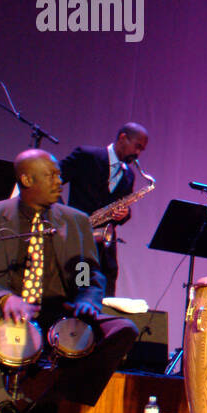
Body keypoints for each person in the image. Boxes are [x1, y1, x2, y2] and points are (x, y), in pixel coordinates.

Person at [0, 150, 138, 413]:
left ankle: (48, 401)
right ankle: (1, 402)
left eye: (59, 175)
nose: (59, 182)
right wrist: (2, 298)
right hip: (1, 310)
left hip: (56, 312)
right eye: (50, 176)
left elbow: (87, 272)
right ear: (26, 179)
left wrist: (86, 297)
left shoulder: (76, 221)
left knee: (123, 330)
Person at [60, 123, 149, 297]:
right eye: (137, 146)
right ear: (123, 138)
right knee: (81, 293)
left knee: (105, 299)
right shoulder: (86, 156)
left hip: (105, 252)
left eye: (142, 150)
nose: (138, 153)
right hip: (81, 245)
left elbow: (123, 209)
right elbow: (52, 181)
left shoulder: (129, 174)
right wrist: (65, 216)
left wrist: (124, 214)